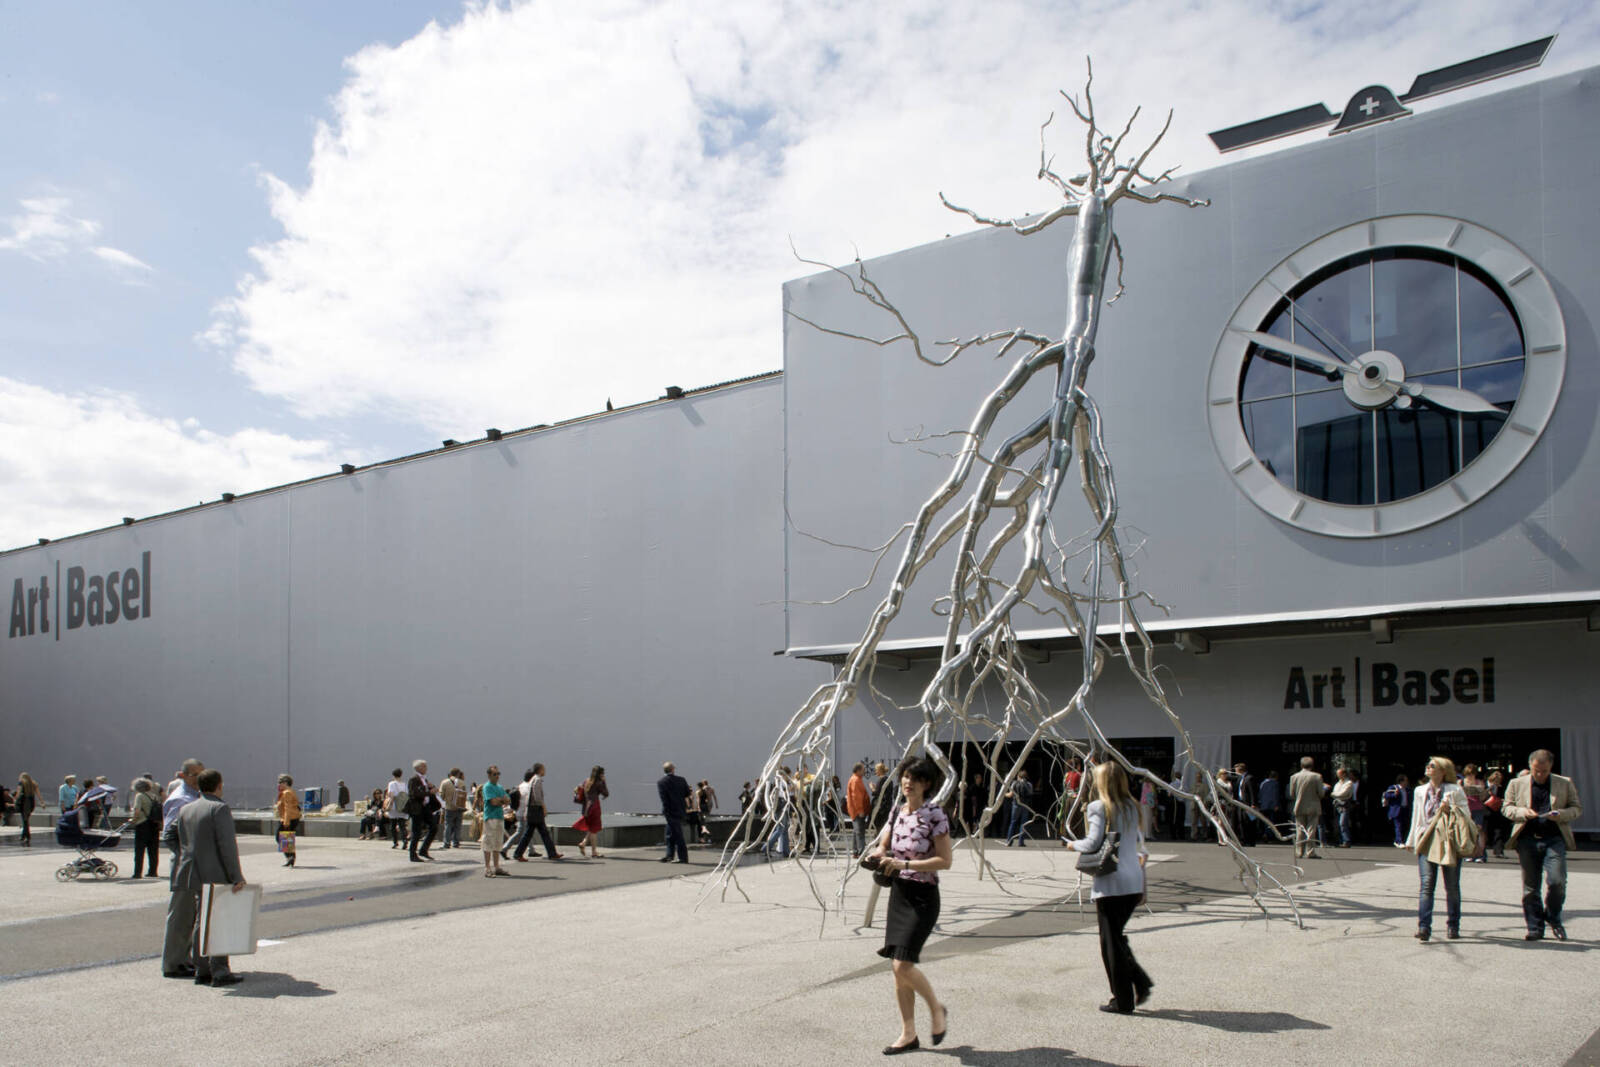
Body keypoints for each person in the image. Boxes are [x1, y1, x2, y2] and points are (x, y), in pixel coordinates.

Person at [865, 756, 952, 1055]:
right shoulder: (896, 811)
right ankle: (908, 1034)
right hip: (899, 894)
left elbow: (945, 861)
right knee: (897, 968)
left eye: (915, 778)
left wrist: (904, 864)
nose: (907, 782)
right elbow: (884, 843)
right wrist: (879, 853)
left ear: (926, 784)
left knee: (902, 964)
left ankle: (936, 1009)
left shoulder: (935, 814)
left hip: (923, 897)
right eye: (905, 776)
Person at [1065, 761, 1153, 1014]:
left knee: (1110, 943)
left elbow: (1093, 843)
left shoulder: (1099, 807)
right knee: (1116, 937)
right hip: (1133, 880)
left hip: (1111, 882)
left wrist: (1072, 845)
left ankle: (1123, 999)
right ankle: (1139, 982)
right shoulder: (1132, 806)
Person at [166, 768, 247, 986]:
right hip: (215, 872)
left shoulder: (186, 809)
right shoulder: (219, 808)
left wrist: (185, 853)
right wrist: (236, 875)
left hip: (191, 871)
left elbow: (170, 834)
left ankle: (202, 968)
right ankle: (219, 971)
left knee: (201, 920)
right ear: (219, 786)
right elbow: (227, 846)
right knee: (217, 921)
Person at [1504, 748, 1582, 941]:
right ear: (1530, 766)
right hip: (1527, 839)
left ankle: (1553, 917)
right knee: (1531, 887)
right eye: (1536, 771)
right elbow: (1507, 808)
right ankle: (1534, 927)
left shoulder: (1564, 783)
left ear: (1551, 767)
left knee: (1557, 882)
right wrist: (1523, 812)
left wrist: (1561, 814)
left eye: (1544, 771)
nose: (1539, 775)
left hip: (1554, 838)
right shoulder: (1516, 783)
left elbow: (1576, 808)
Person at [1406, 756, 1472, 941]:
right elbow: (1416, 816)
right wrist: (1411, 840)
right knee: (1427, 885)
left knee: (1452, 886)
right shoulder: (1420, 790)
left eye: (1432, 765)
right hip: (1426, 839)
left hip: (1448, 840)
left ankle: (1453, 925)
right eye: (1427, 765)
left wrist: (1450, 808)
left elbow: (1466, 815)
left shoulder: (1455, 790)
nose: (1428, 767)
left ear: (1443, 771)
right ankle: (1424, 927)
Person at [1287, 757, 1324, 859]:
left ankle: (1299, 851)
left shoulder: (1294, 777)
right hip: (1313, 805)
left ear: (1301, 765)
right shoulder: (1317, 776)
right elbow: (1321, 793)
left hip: (1299, 805)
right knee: (1311, 829)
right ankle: (1310, 851)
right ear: (1312, 765)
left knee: (1299, 829)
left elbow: (1292, 794)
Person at [479, 765, 511, 877]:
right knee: (488, 842)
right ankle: (487, 868)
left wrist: (500, 800)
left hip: (499, 817)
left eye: (498, 774)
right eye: (494, 774)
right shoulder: (487, 787)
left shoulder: (500, 787)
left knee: (498, 842)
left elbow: (508, 800)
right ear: (489, 775)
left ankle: (497, 867)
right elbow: (493, 802)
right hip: (490, 817)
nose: (497, 776)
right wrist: (502, 800)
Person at [658, 761, 691, 863]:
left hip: (670, 811)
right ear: (673, 770)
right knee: (670, 834)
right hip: (680, 810)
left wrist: (666, 811)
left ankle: (682, 857)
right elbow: (687, 793)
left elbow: (664, 799)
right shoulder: (681, 780)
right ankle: (670, 855)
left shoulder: (661, 782)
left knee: (677, 834)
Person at [572, 766, 608, 859]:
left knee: (591, 828)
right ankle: (594, 852)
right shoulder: (598, 783)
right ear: (600, 774)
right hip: (594, 807)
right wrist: (604, 782)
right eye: (603, 774)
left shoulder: (586, 781)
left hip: (586, 808)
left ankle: (583, 843)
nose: (603, 775)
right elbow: (606, 793)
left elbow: (577, 789)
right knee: (594, 830)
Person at [407, 759, 438, 861]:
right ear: (418, 768)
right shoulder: (413, 779)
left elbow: (427, 790)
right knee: (416, 831)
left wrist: (432, 788)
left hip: (425, 807)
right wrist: (429, 793)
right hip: (417, 808)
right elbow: (414, 794)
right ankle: (412, 854)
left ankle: (423, 850)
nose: (426, 768)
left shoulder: (424, 779)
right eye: (424, 766)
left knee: (433, 827)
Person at [129, 778, 160, 878]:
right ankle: (153, 871)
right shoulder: (154, 796)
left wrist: (133, 820)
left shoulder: (139, 796)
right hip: (154, 824)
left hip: (142, 824)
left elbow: (137, 810)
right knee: (153, 850)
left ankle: (137, 873)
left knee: (139, 850)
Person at [274, 773, 301, 868]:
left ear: (285, 783)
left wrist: (286, 821)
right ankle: (290, 858)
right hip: (292, 817)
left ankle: (290, 857)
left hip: (289, 818)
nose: (278, 784)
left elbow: (287, 807)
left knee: (279, 837)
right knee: (286, 838)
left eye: (280, 782)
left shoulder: (287, 793)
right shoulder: (289, 791)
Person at [847, 762, 871, 857]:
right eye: (863, 769)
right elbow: (856, 797)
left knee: (856, 831)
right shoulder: (856, 780)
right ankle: (861, 853)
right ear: (858, 770)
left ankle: (856, 851)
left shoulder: (856, 779)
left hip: (856, 810)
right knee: (860, 832)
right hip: (857, 811)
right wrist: (860, 810)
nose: (864, 771)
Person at [1484, 769, 1510, 858]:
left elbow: (1505, 796)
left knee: (1498, 831)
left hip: (1497, 811)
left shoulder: (1501, 787)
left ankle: (1499, 851)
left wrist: (1501, 800)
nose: (1497, 783)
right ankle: (1481, 851)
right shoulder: (1484, 786)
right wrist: (1488, 790)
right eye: (1495, 780)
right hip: (1485, 811)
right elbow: (1481, 797)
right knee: (1484, 832)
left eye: (1498, 781)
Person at [1004, 769, 1034, 846]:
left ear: (1018, 776)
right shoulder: (1029, 784)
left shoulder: (1014, 783)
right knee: (1023, 824)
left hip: (1016, 805)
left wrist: (1004, 794)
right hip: (1025, 805)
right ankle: (1021, 842)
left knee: (1013, 822)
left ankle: (1009, 841)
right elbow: (1031, 793)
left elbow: (1010, 795)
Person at [1382, 775, 1411, 847]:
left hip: (1405, 809)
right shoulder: (1394, 788)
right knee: (1398, 826)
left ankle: (1397, 840)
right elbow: (1386, 795)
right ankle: (1400, 842)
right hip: (1397, 810)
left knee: (1404, 826)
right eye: (1405, 780)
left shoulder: (1407, 789)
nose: (1407, 782)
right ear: (1401, 781)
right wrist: (1395, 794)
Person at [1232, 763, 1258, 846]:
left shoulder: (1249, 778)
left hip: (1247, 803)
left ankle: (1250, 840)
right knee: (1241, 821)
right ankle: (1243, 839)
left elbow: (1252, 792)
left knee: (1248, 821)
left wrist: (1253, 803)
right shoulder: (1241, 778)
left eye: (1236, 770)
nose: (1235, 772)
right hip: (1241, 802)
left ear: (1240, 770)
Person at [1331, 767, 1356, 847]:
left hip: (1344, 804)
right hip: (1337, 804)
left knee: (1343, 823)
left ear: (1344, 774)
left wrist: (1334, 794)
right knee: (1337, 823)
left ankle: (1346, 840)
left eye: (1339, 774)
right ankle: (1340, 840)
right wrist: (1336, 794)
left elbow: (1344, 793)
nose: (1337, 775)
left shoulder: (1349, 783)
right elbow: (1336, 793)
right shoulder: (1337, 784)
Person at [15, 772, 40, 846]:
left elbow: (19, 792)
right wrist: (42, 802)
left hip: (24, 802)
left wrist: (15, 799)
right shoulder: (33, 784)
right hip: (31, 802)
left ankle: (27, 836)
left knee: (25, 820)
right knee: (26, 819)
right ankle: (24, 835)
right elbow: (38, 793)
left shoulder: (21, 783)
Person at [385, 769, 408, 849]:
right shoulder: (404, 784)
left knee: (393, 825)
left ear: (393, 775)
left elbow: (391, 795)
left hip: (394, 806)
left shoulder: (392, 783)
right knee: (402, 825)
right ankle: (405, 840)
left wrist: (389, 805)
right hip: (402, 805)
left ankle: (395, 842)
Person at [1257, 769, 1282, 840]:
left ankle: (1265, 833)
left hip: (1263, 805)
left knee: (1265, 820)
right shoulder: (1275, 784)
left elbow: (1260, 794)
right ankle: (1269, 834)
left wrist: (1260, 803)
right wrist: (1276, 805)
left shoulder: (1263, 783)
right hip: (1272, 805)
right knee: (1271, 821)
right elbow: (1275, 795)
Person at [697, 780, 718, 844]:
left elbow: (698, 800)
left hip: (702, 805)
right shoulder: (710, 789)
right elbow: (712, 797)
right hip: (707, 804)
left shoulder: (699, 791)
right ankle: (708, 837)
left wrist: (698, 807)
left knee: (702, 821)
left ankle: (703, 836)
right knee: (706, 818)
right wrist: (716, 804)